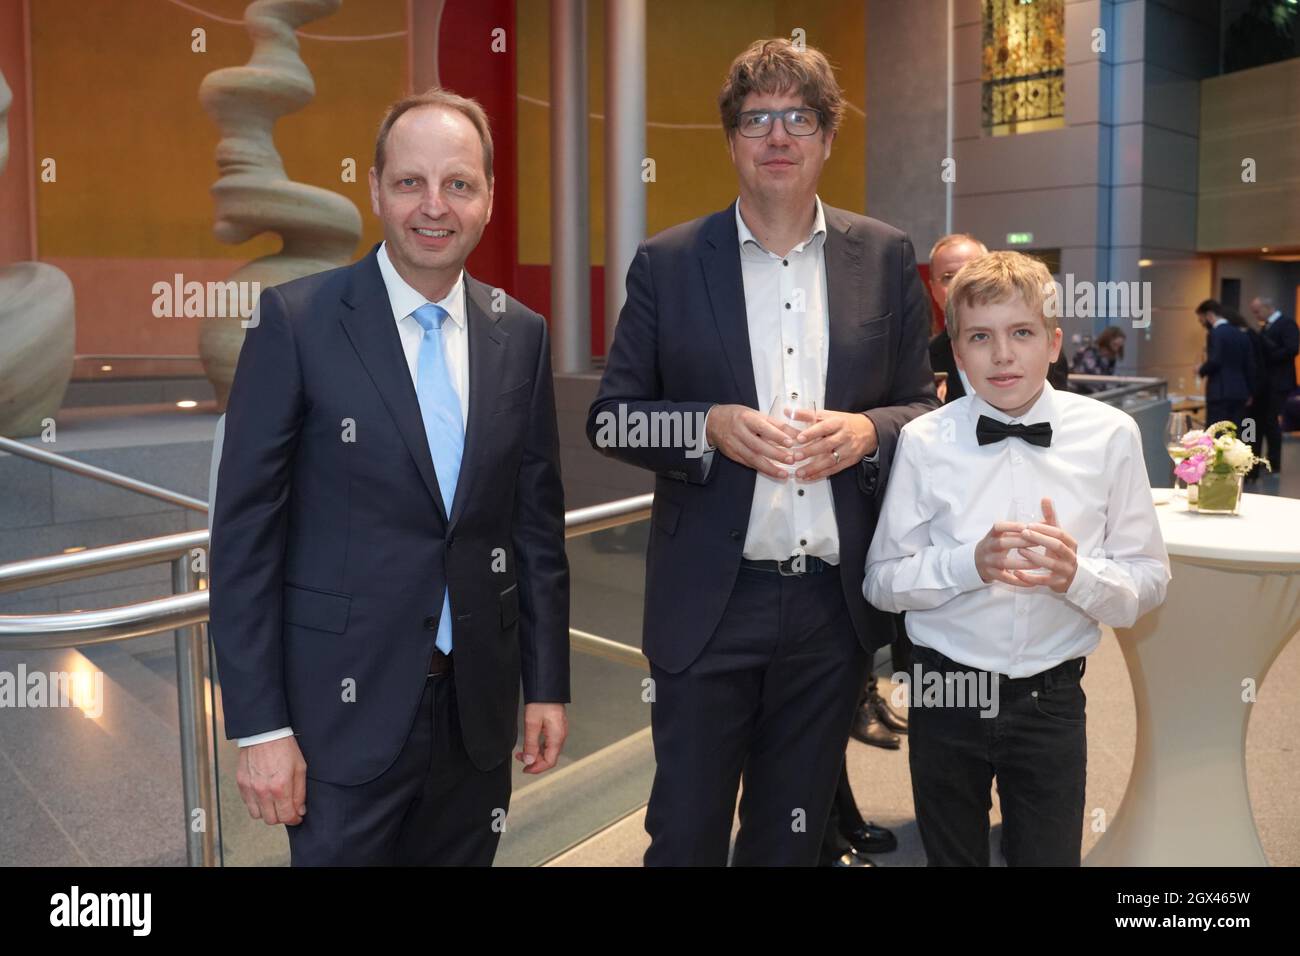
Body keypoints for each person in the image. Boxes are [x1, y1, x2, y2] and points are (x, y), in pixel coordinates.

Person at [587, 38, 937, 866]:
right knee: (685, 835)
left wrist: (868, 433)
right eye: (757, 119)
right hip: (711, 603)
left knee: (791, 839)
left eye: (799, 118)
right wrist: (705, 425)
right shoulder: (669, 262)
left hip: (831, 609)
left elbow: (925, 410)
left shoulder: (885, 254)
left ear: (828, 137)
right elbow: (613, 421)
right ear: (732, 140)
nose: (778, 135)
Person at [209, 88, 571, 866]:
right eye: (411, 182)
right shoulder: (296, 323)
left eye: (458, 183)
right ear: (375, 188)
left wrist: (546, 684)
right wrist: (261, 726)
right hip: (338, 722)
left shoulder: (521, 335)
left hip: (475, 720)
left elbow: (535, 530)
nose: (434, 206)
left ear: (488, 198)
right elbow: (244, 540)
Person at [864, 251, 1170, 866]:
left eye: (1022, 333)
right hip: (944, 688)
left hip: (1051, 695)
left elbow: (1149, 581)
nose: (1002, 355)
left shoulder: (1111, 435)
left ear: (1053, 343)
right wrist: (967, 564)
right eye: (980, 337)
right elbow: (881, 581)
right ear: (956, 351)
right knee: (951, 857)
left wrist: (1078, 577)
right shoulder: (924, 440)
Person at [1252, 295, 1299, 474]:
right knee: (1264, 422)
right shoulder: (1266, 327)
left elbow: (1292, 349)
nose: (1256, 316)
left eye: (1257, 311)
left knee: (1272, 422)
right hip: (1266, 383)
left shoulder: (1286, 324)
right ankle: (1265, 459)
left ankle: (1274, 461)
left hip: (1280, 382)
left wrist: (1270, 354)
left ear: (1267, 307)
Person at [1196, 299, 1256, 433]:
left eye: (1201, 320)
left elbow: (1215, 361)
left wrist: (1201, 369)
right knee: (1235, 433)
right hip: (1240, 391)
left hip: (1220, 392)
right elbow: (1250, 365)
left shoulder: (1215, 333)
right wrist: (1250, 391)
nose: (1202, 324)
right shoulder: (1241, 334)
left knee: (1216, 433)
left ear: (1209, 315)